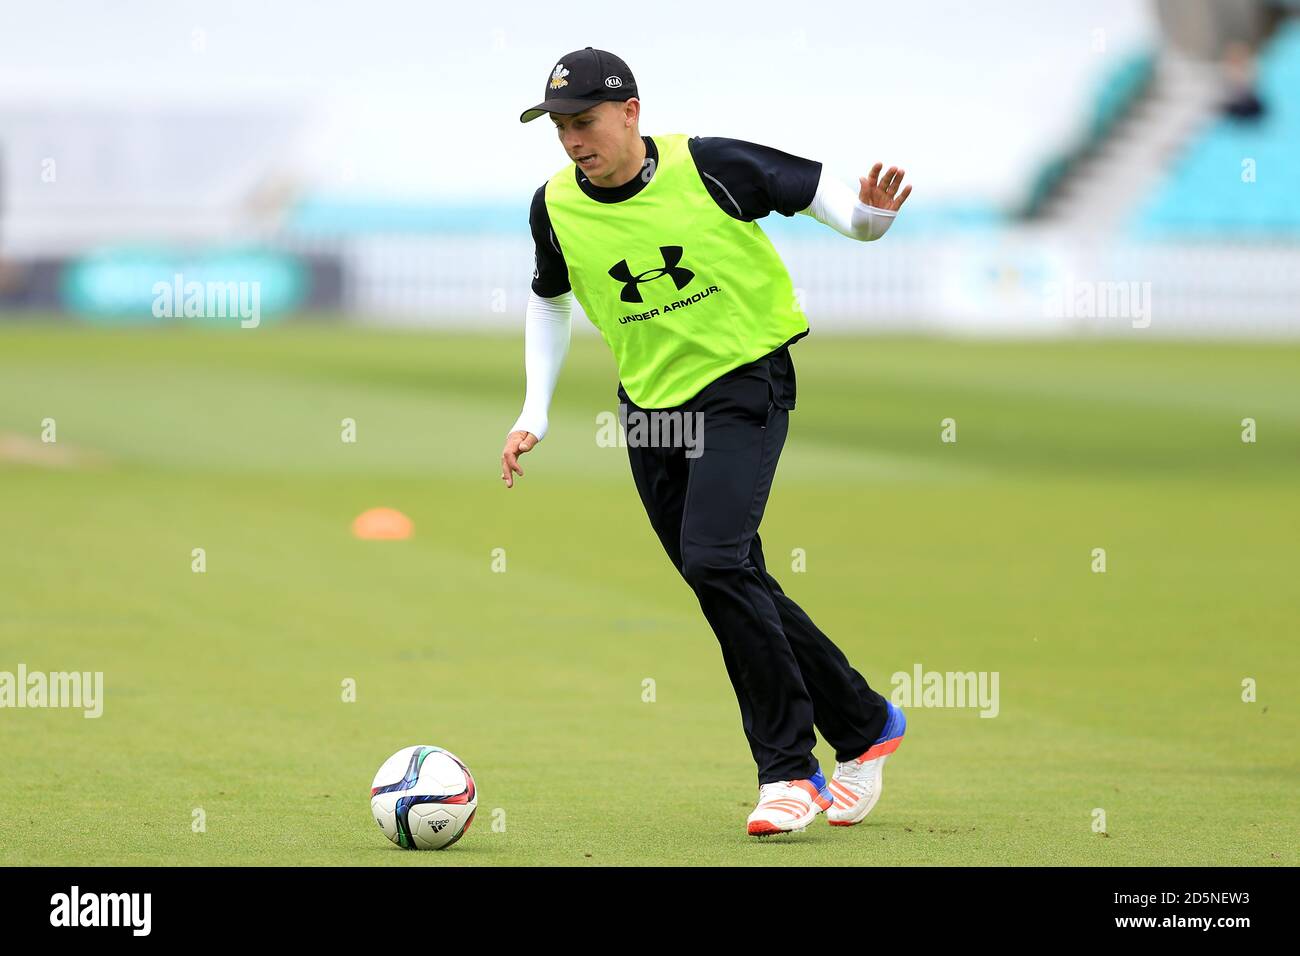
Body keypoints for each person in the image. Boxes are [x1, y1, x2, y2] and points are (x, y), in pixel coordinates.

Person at [501, 47, 911, 836]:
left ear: (631, 112)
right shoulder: (552, 205)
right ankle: (864, 723)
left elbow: (831, 204)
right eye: (559, 127)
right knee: (731, 573)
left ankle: (789, 772)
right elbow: (549, 300)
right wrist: (535, 412)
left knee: (715, 560)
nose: (572, 141)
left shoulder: (713, 165)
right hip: (650, 407)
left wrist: (871, 222)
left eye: (584, 121)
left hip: (742, 381)